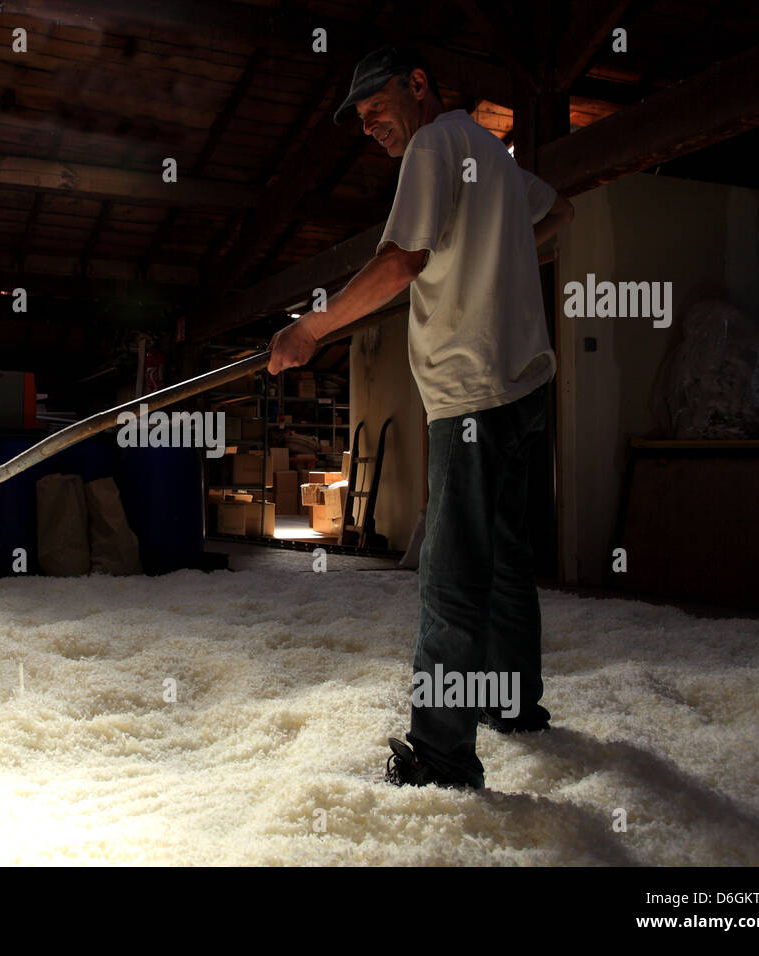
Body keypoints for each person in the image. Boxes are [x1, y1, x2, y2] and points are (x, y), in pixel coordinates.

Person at [267, 46, 576, 789]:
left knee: (450, 575)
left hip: (471, 392)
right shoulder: (492, 156)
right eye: (363, 121)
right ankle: (515, 706)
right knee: (503, 560)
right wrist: (486, 260)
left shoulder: (435, 143)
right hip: (523, 387)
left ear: (418, 86)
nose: (372, 127)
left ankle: (440, 756)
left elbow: (402, 259)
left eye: (378, 109)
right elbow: (559, 211)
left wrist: (312, 328)